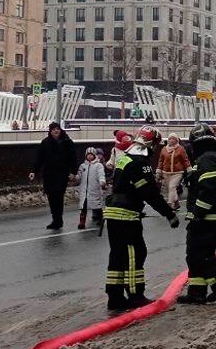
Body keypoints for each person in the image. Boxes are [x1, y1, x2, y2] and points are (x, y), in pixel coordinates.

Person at [103, 130, 179, 311]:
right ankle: (136, 295)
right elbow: (150, 193)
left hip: (114, 213)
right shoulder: (140, 163)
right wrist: (169, 214)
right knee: (135, 254)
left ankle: (114, 298)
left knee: (117, 255)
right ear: (152, 144)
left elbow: (125, 186)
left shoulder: (125, 157)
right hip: (126, 215)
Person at [177, 123, 216, 305]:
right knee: (194, 254)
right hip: (213, 216)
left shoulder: (207, 159)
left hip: (206, 217)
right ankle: (196, 292)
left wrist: (198, 214)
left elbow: (209, 189)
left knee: (201, 254)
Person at [30, 122, 78, 230]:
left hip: (62, 173)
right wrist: (34, 171)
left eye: (58, 129)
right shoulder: (45, 143)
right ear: (50, 131)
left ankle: (58, 219)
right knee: (51, 196)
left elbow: (73, 158)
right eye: (54, 129)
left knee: (58, 195)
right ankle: (55, 219)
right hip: (49, 174)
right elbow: (39, 158)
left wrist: (73, 172)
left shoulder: (67, 142)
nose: (56, 131)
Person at [75, 148, 107, 230]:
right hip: (84, 190)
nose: (89, 156)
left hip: (94, 189)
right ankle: (82, 222)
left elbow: (101, 175)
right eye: (88, 155)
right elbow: (79, 175)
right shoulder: (82, 166)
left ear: (94, 156)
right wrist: (75, 177)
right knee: (83, 206)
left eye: (91, 155)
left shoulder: (98, 166)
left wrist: (102, 181)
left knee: (96, 205)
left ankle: (100, 218)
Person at [157, 134, 190, 211]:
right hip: (166, 172)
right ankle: (176, 203)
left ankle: (169, 204)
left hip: (178, 172)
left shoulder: (181, 149)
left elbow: (185, 160)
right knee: (171, 189)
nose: (171, 140)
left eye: (173, 139)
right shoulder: (164, 149)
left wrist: (189, 168)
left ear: (176, 140)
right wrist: (159, 170)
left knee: (172, 187)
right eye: (170, 138)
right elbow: (161, 161)